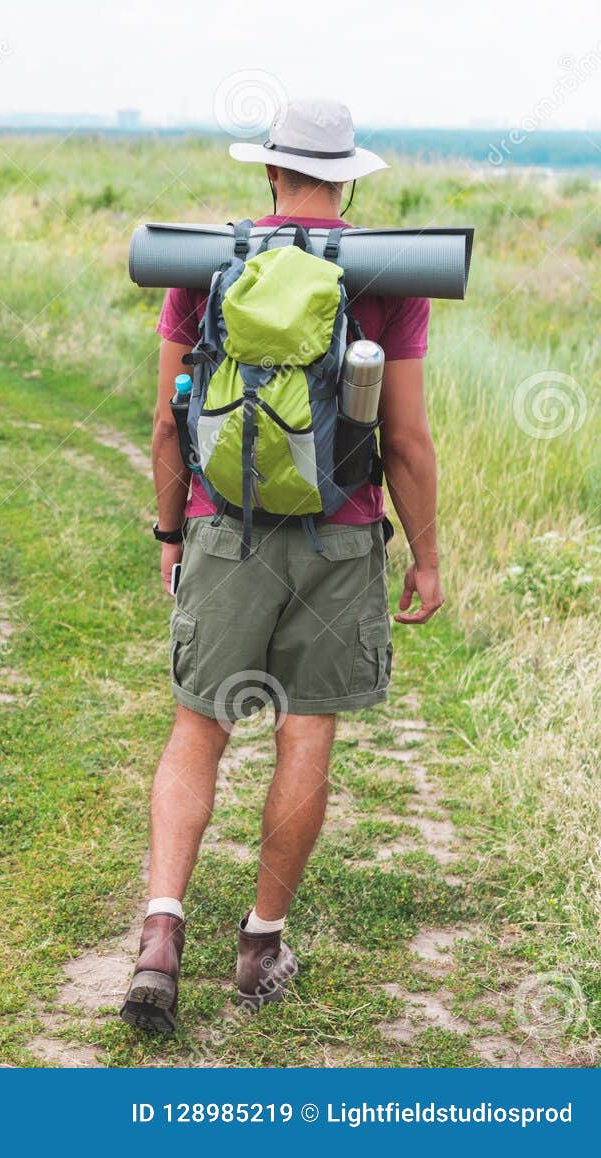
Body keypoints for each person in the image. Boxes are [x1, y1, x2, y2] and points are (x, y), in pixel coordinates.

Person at [121, 97, 443, 1034]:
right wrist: (424, 556)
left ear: (269, 172)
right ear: (346, 180)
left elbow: (166, 419)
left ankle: (160, 934)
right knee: (307, 734)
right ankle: (260, 945)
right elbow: (408, 438)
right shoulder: (387, 274)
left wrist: (173, 535)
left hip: (226, 525)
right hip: (342, 536)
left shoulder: (208, 264)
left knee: (198, 729)